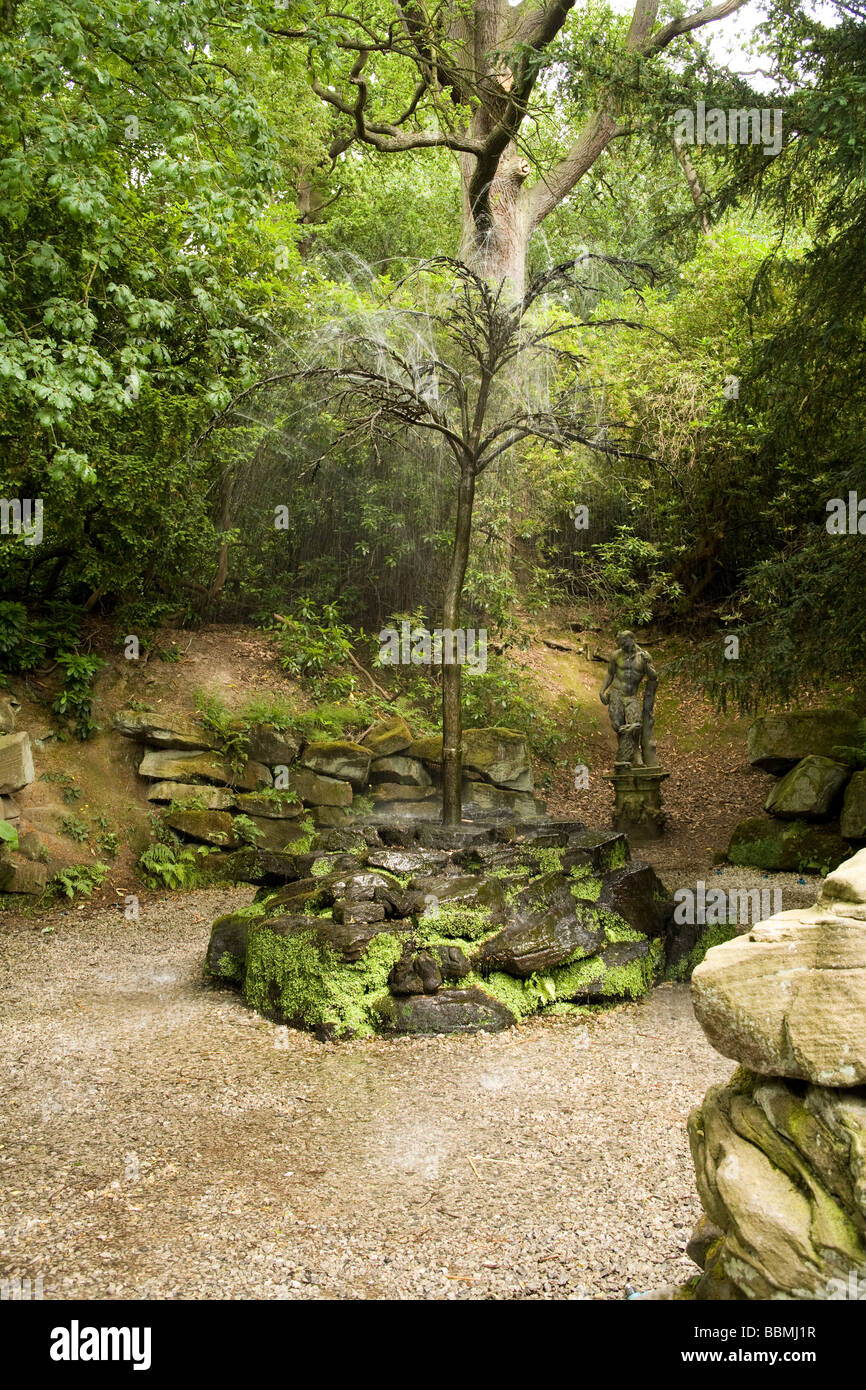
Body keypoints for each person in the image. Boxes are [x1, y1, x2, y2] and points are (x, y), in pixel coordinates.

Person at [599, 631, 659, 768]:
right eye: (620, 644)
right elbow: (610, 674)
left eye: (624, 643)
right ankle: (625, 756)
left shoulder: (642, 657)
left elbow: (653, 676)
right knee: (618, 725)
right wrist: (602, 690)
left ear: (632, 639)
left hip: (631, 696)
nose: (622, 646)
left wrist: (648, 663)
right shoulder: (616, 655)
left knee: (635, 724)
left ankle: (635, 754)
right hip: (616, 693)